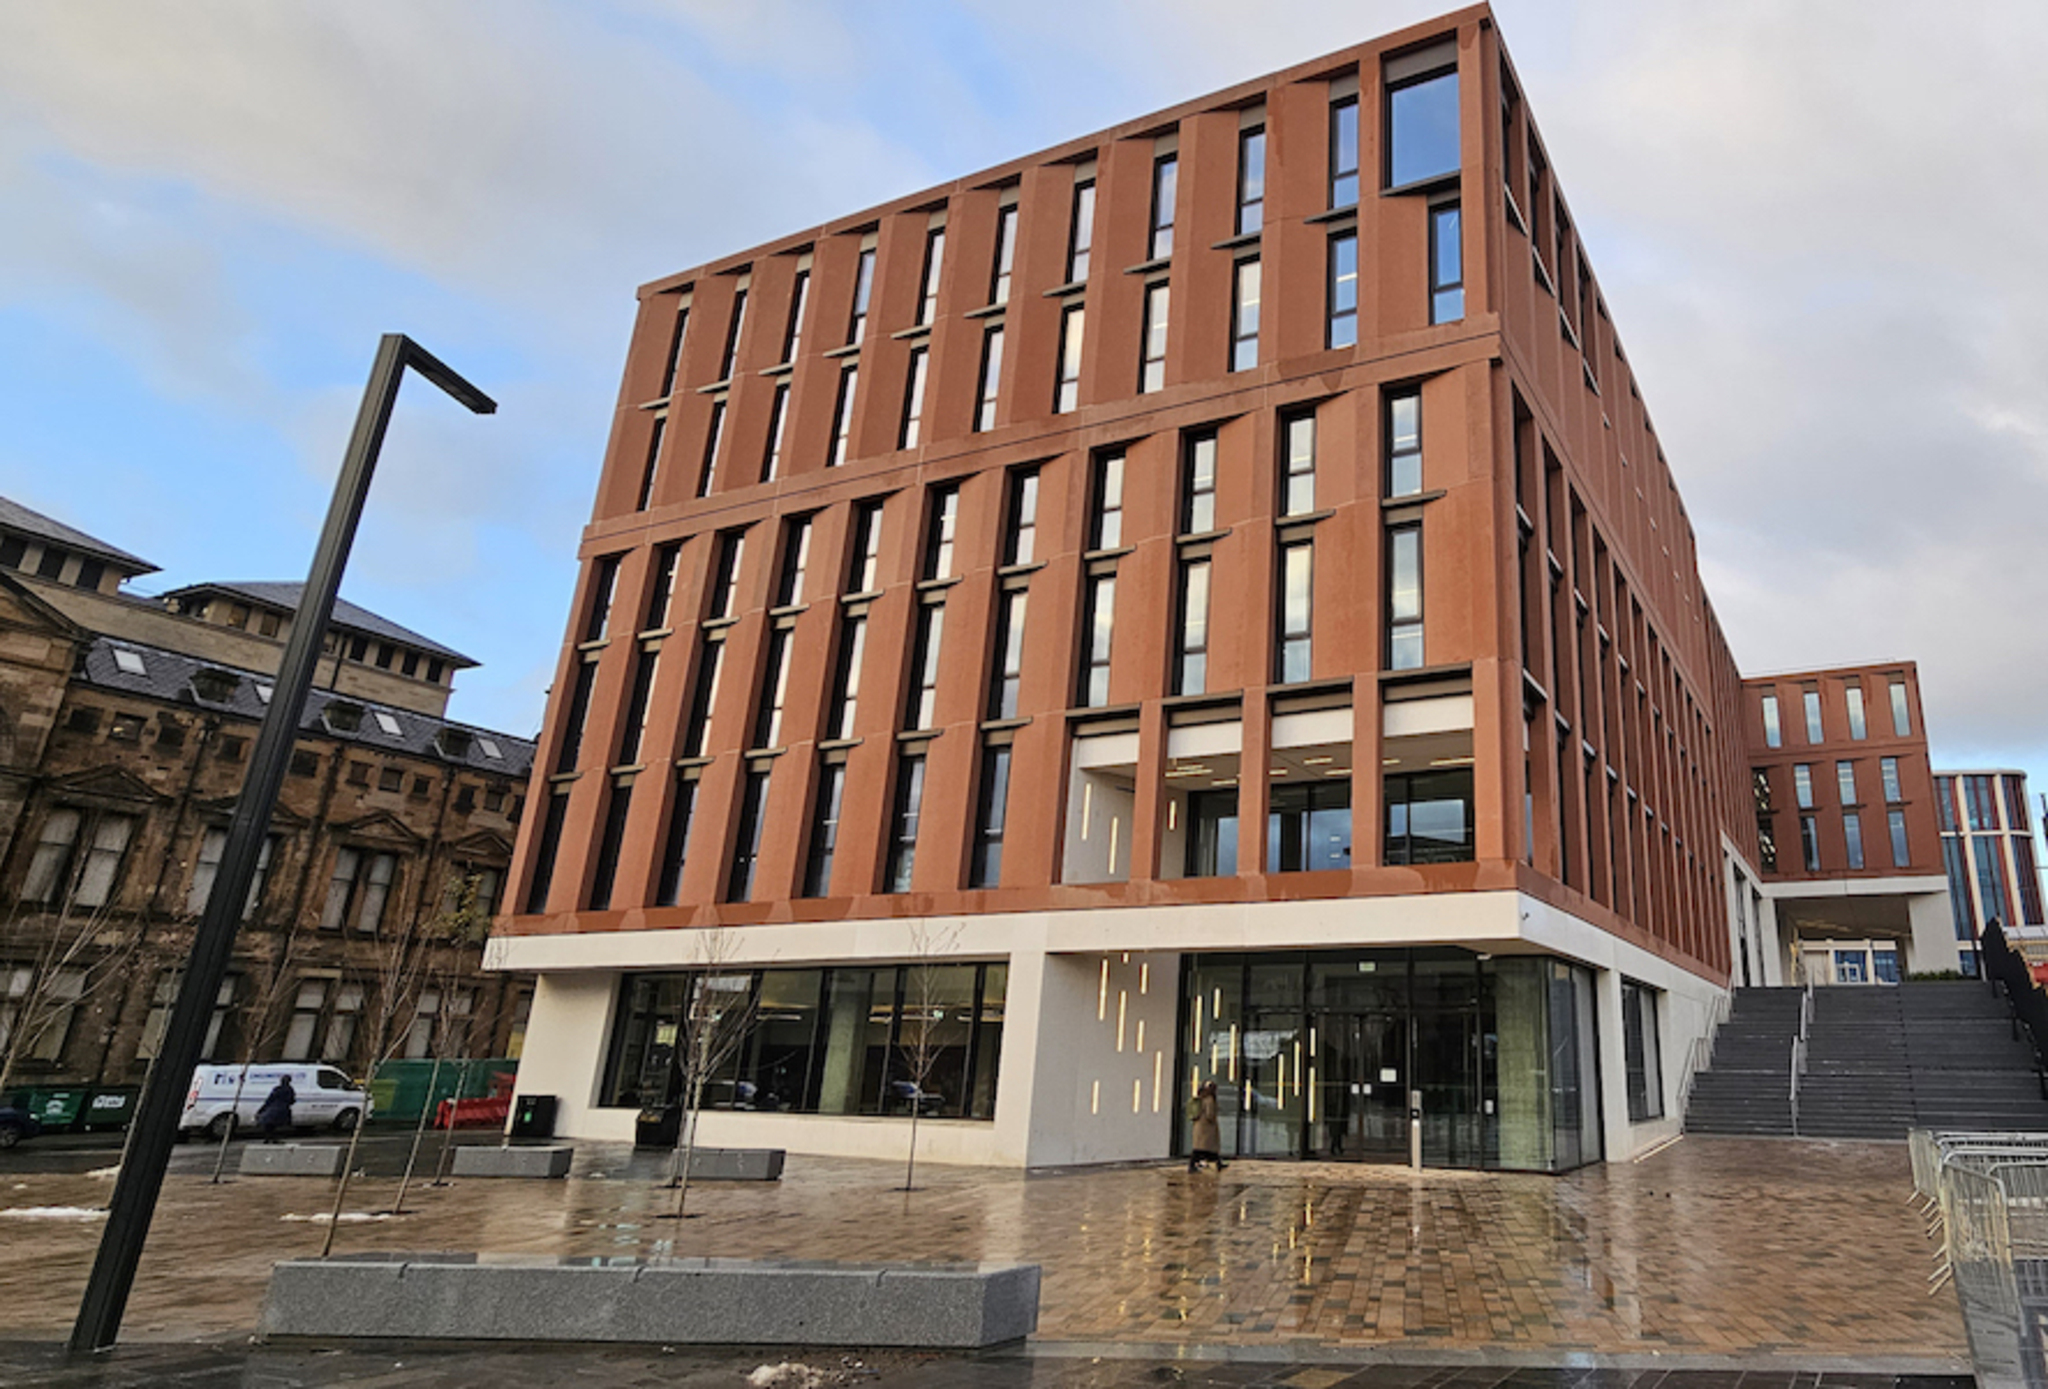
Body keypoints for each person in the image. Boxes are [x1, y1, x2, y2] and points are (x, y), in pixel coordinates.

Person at [1188, 1080, 1226, 1172]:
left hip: (1199, 1127)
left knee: (1203, 1148)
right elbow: (1210, 1114)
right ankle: (1193, 1166)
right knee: (1205, 1148)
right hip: (1207, 1128)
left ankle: (1217, 1162)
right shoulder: (1209, 1099)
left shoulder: (1200, 1098)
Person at [255, 1075, 296, 1144]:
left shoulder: (277, 1089)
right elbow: (291, 1100)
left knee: (269, 1123)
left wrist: (261, 1109)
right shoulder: (289, 1090)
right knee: (275, 1124)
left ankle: (268, 1137)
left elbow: (269, 1099)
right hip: (282, 1109)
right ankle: (272, 1138)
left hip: (272, 1108)